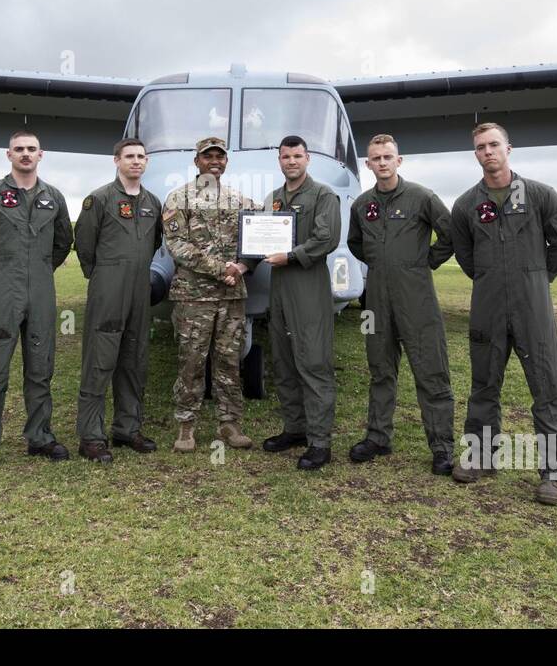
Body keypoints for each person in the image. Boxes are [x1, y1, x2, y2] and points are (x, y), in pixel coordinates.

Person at [433, 122, 557, 506]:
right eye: (480, 147)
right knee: (483, 385)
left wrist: (536, 277)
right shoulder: (465, 205)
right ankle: (480, 457)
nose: (488, 152)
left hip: (533, 305)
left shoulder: (540, 195)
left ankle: (554, 473)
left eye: (494, 144)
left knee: (548, 387)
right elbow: (465, 255)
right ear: (475, 154)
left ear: (508, 148)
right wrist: (492, 280)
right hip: (488, 304)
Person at [0, 131, 73, 475]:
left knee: (41, 367)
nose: (26, 154)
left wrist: (39, 270)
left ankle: (39, 436)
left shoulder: (53, 198)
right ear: (8, 154)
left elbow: (63, 242)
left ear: (42, 154)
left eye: (32, 149)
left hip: (41, 290)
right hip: (1, 289)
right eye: (19, 149)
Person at [346, 134, 456, 475]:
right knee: (380, 368)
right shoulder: (361, 205)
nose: (382, 162)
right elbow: (355, 243)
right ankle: (378, 436)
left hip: (417, 297)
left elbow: (450, 233)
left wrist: (424, 261)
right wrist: (382, 265)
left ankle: (442, 447)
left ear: (399, 160)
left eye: (388, 156)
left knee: (431, 371)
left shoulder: (421, 197)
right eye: (376, 157)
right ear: (368, 164)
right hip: (375, 299)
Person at [163, 136, 260, 454]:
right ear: (197, 162)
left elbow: (263, 232)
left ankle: (230, 423)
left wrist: (244, 265)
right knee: (191, 362)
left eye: (220, 156)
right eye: (208, 156)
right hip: (193, 297)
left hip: (231, 298)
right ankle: (186, 424)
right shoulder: (179, 198)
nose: (214, 161)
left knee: (229, 362)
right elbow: (178, 247)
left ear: (226, 162)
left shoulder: (239, 200)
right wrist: (222, 269)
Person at [72, 138, 163, 463]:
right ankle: (91, 436)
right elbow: (84, 245)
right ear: (117, 160)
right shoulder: (99, 199)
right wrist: (103, 277)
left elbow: (153, 244)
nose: (136, 161)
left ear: (146, 162)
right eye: (129, 156)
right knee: (100, 360)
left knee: (134, 359)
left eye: (141, 156)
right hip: (107, 286)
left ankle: (127, 428)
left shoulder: (153, 202)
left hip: (140, 286)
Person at [260, 135, 342, 470]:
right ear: (279, 160)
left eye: (297, 156)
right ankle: (294, 428)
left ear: (307, 158)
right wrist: (243, 263)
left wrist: (291, 255)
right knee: (283, 362)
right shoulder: (273, 199)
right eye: (285, 157)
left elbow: (327, 238)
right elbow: (258, 237)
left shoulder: (323, 195)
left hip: (308, 284)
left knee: (313, 362)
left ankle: (320, 441)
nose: (291, 162)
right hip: (278, 287)